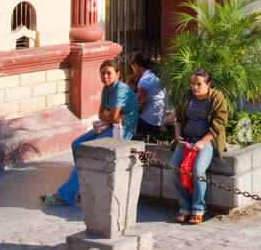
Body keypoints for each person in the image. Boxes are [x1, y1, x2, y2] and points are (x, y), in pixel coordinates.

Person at [39, 60, 138, 207]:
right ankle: (82, 185)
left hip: (122, 130)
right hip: (110, 125)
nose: (105, 76)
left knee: (87, 151)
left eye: (109, 73)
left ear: (117, 74)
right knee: (77, 144)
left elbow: (111, 116)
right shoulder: (106, 89)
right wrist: (108, 115)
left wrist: (108, 115)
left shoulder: (121, 90)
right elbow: (102, 115)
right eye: (103, 73)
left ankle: (66, 194)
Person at [171, 69, 228, 225]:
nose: (195, 87)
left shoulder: (216, 98)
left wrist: (202, 142)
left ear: (208, 85)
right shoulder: (188, 96)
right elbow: (178, 117)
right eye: (193, 83)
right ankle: (184, 207)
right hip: (186, 140)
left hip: (207, 141)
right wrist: (178, 135)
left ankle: (198, 208)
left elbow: (219, 124)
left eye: (199, 84)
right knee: (174, 167)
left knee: (197, 170)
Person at [130, 53, 167, 140]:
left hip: (148, 122)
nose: (133, 71)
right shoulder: (153, 75)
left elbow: (139, 104)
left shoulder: (145, 79)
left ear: (135, 65)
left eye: (132, 67)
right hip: (158, 120)